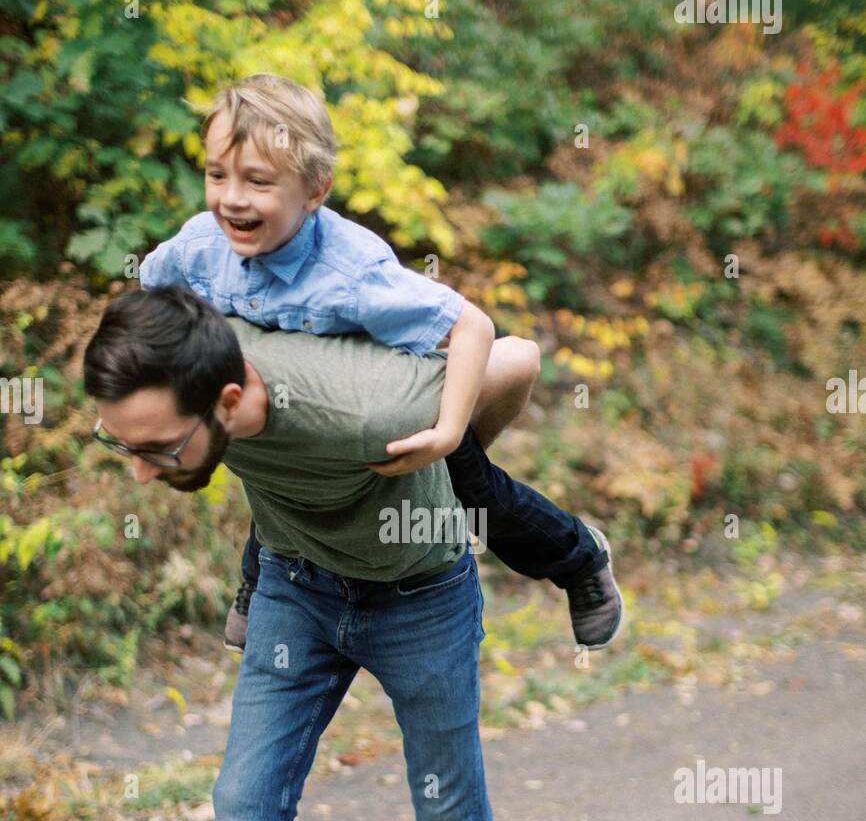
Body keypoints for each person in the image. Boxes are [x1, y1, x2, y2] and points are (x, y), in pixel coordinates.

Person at [83, 284, 504, 821]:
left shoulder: (359, 407)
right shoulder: (196, 354)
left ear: (229, 402)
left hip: (419, 594)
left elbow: (502, 351)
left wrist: (463, 436)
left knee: (447, 808)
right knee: (244, 809)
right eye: (123, 446)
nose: (140, 472)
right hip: (295, 588)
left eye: (159, 450)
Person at [138, 73, 624, 656]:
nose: (232, 197)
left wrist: (446, 434)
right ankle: (261, 582)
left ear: (315, 189)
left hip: (391, 414)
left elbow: (472, 326)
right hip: (294, 421)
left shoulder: (352, 270)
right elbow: (149, 295)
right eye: (218, 176)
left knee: (476, 496)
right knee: (275, 474)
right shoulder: (199, 247)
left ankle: (580, 558)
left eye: (258, 181)